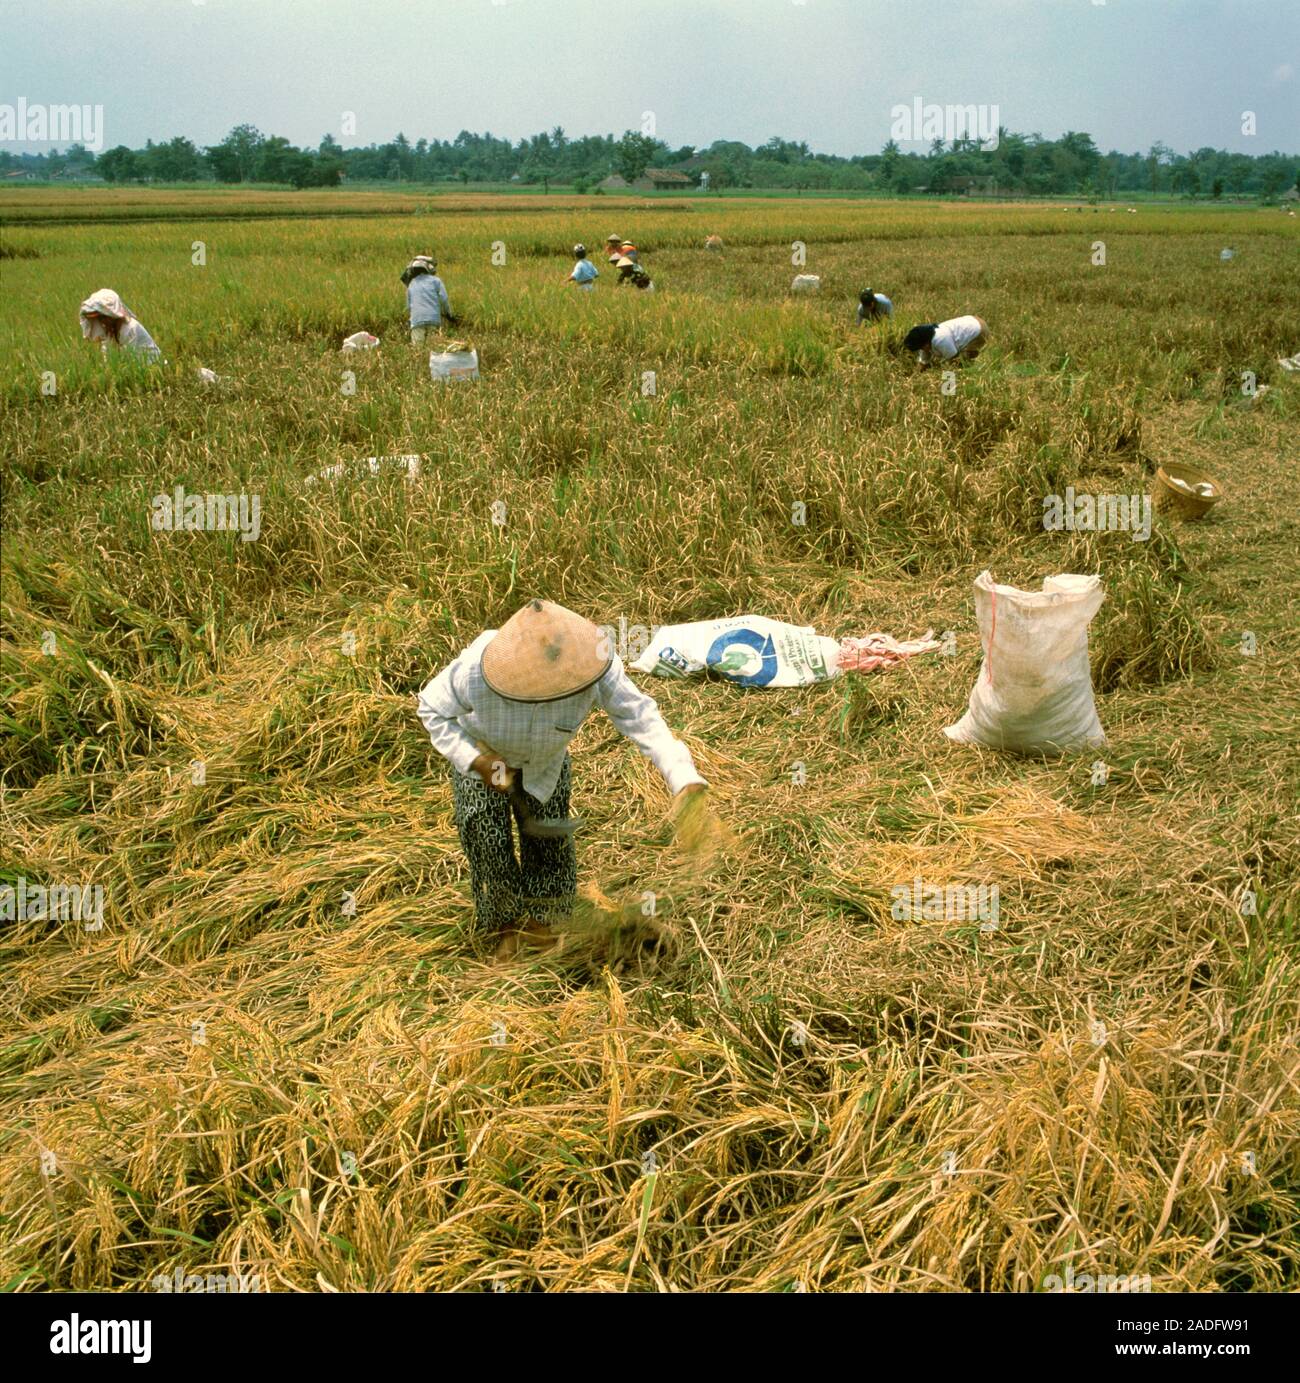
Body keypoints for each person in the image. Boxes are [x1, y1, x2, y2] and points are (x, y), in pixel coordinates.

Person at [417, 599, 709, 957]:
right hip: (484, 758)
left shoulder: (593, 666)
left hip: (546, 764)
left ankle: (545, 923)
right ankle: (504, 925)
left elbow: (641, 717)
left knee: (549, 841)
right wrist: (476, 760)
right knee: (486, 840)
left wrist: (683, 778)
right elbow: (431, 709)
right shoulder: (475, 670)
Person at [79, 290, 161, 361]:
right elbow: (109, 358)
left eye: (104, 317)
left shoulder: (130, 328)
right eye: (100, 318)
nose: (102, 321)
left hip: (152, 365)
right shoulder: (109, 332)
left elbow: (130, 359)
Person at [402, 255, 455, 344]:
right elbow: (444, 299)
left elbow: (408, 306)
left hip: (416, 320)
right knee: (433, 349)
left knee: (417, 350)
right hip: (433, 319)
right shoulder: (436, 281)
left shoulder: (411, 283)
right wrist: (449, 314)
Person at [904, 315, 988, 367]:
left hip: (978, 329)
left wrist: (947, 389)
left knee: (961, 363)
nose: (922, 350)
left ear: (926, 343)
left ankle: (953, 391)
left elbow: (952, 362)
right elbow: (923, 362)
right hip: (969, 320)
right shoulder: (925, 340)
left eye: (922, 347)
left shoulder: (940, 339)